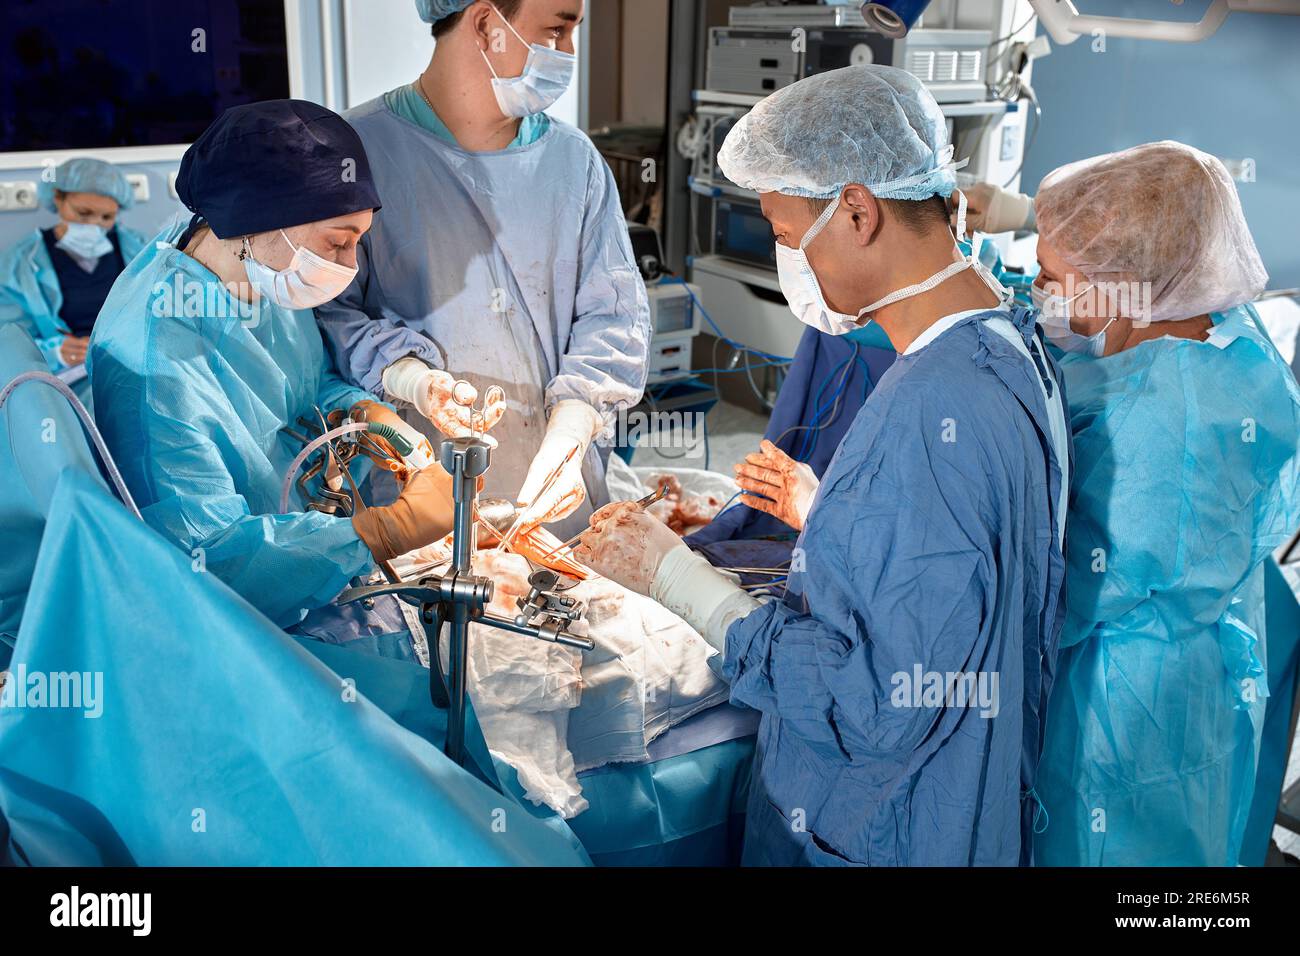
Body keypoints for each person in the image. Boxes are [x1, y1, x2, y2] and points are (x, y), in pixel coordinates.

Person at [574, 65, 1072, 866]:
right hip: (960, 803)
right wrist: (833, 512)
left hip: (874, 827)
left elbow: (871, 705)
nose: (784, 258)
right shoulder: (1007, 345)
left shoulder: (929, 410)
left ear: (857, 211)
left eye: (780, 232)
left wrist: (682, 583)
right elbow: (949, 583)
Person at [89, 100, 457, 661]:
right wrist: (379, 533)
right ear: (261, 216)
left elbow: (301, 381)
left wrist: (360, 414)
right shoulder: (154, 364)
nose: (350, 263)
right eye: (339, 240)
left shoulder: (249, 264)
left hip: (298, 561)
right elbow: (211, 562)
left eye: (358, 239)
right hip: (233, 634)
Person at [1026, 141, 1300, 865]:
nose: (1039, 295)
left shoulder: (1157, 425)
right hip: (1199, 686)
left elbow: (1063, 599)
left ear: (1122, 285)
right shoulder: (1227, 347)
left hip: (1121, 720)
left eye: (1051, 279)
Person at [314, 0, 650, 542]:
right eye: (557, 30)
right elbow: (327, 314)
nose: (568, 53)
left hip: (552, 500)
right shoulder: (356, 155)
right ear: (487, 25)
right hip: (414, 498)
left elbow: (612, 315)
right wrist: (411, 379)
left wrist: (574, 422)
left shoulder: (573, 162)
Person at [0, 158, 145, 405]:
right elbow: (8, 339)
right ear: (58, 198)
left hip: (132, 366)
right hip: (70, 378)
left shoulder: (139, 250)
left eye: (106, 217)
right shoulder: (21, 263)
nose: (94, 225)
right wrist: (56, 352)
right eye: (83, 213)